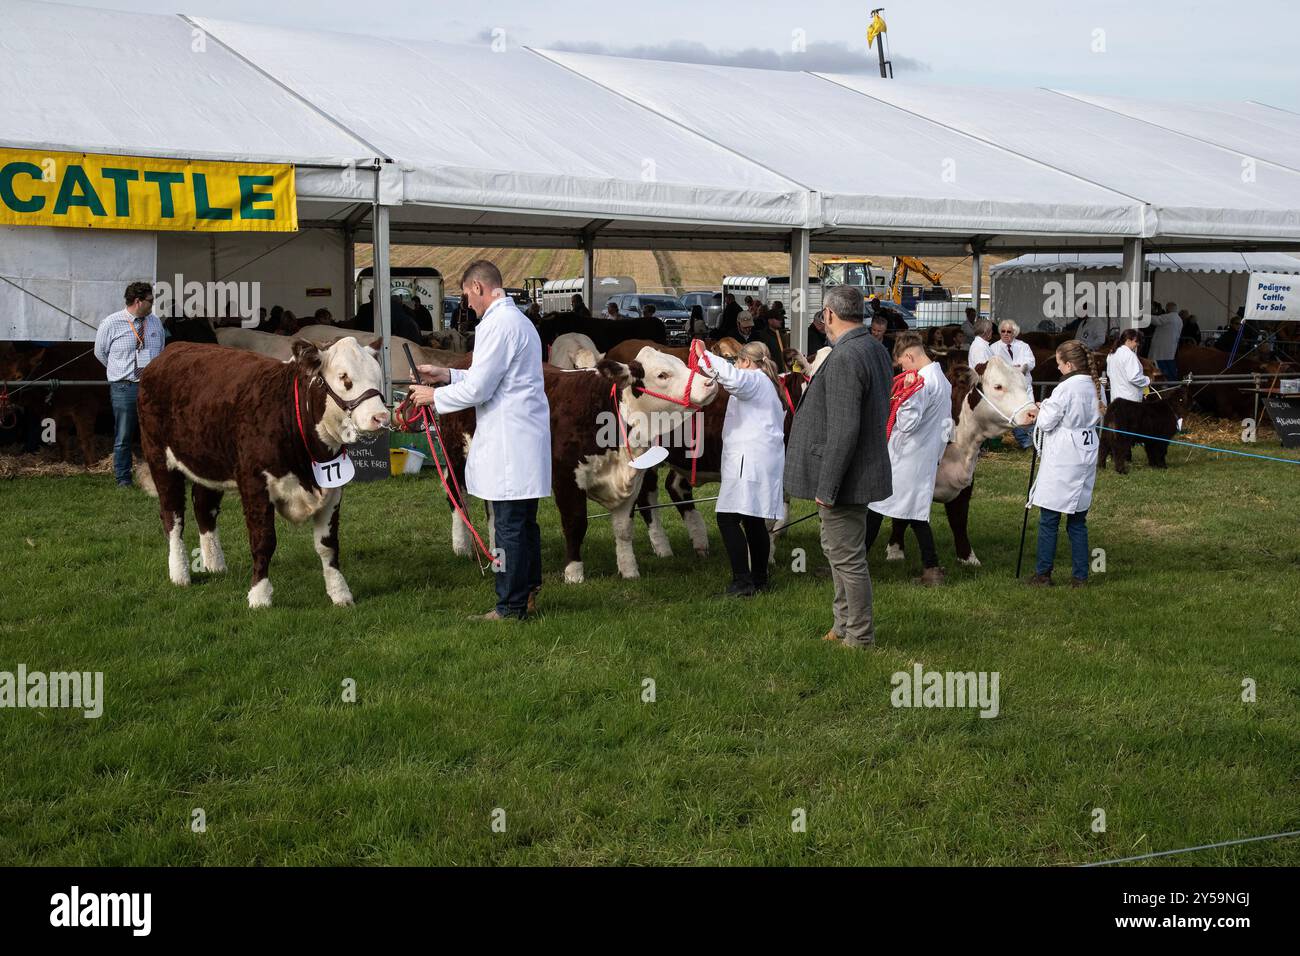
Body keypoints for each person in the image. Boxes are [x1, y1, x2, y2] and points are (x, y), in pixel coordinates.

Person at [407, 260, 551, 621]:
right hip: (521, 437)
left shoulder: (496, 325)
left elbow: (482, 387)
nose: (467, 304)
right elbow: (490, 373)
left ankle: (510, 606)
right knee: (523, 522)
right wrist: (447, 373)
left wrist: (433, 397)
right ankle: (528, 591)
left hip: (510, 440)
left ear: (478, 288)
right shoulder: (518, 321)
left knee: (508, 526)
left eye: (466, 295)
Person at [784, 286, 893, 649]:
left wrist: (826, 489)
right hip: (858, 469)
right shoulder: (872, 347)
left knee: (847, 558)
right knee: (838, 553)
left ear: (829, 314)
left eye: (823, 316)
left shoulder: (847, 354)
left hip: (845, 476)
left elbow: (844, 428)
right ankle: (842, 623)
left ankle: (859, 636)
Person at [864, 332, 952, 586]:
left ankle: (853, 565)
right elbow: (946, 422)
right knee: (913, 512)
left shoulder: (921, 383)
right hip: (921, 455)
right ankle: (931, 567)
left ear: (910, 356)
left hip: (908, 456)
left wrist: (905, 394)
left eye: (902, 362)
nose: (902, 368)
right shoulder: (940, 378)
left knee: (880, 507)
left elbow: (908, 423)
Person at [700, 341, 787, 597]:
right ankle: (759, 579)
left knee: (727, 518)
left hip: (749, 459)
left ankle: (742, 582)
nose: (735, 366)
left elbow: (732, 378)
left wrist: (703, 354)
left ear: (747, 362)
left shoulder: (754, 380)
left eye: (737, 361)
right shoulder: (768, 383)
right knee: (753, 519)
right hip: (761, 459)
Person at [1027, 340, 1103, 589]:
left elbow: (1048, 422)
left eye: (1059, 363)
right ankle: (1080, 576)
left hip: (1065, 455)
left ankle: (1043, 574)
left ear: (1069, 365)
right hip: (1086, 450)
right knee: (1077, 520)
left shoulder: (1065, 388)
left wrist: (1042, 408)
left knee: (1049, 517)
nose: (1058, 368)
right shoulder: (1093, 385)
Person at [93, 282, 165, 487]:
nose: (153, 304)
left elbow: (160, 350)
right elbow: (100, 352)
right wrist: (118, 371)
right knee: (124, 434)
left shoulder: (155, 322)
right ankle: (123, 478)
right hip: (124, 386)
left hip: (150, 387)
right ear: (138, 301)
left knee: (153, 433)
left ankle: (155, 476)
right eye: (150, 300)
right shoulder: (111, 322)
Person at [994, 320, 1037, 448]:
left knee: (1028, 413)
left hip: (1024, 386)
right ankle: (1022, 441)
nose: (1006, 334)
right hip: (1007, 389)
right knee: (1013, 415)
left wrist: (1023, 366)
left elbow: (1031, 362)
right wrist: (1010, 369)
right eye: (1003, 331)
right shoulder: (994, 348)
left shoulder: (1023, 346)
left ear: (1015, 333)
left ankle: (1030, 441)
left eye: (1009, 331)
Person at [1106, 329, 1149, 403]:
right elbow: (1133, 377)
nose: (1138, 344)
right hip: (1129, 400)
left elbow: (1109, 374)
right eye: (1136, 341)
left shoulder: (1111, 354)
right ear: (1128, 340)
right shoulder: (1129, 355)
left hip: (1115, 398)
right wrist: (1147, 380)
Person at [1149, 300, 1182, 380]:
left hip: (1162, 349)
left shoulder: (1170, 316)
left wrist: (1143, 316)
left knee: (1162, 368)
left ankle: (1165, 383)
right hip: (1170, 348)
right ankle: (1172, 383)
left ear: (1168, 309)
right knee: (1170, 367)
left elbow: (1157, 320)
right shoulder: (1179, 319)